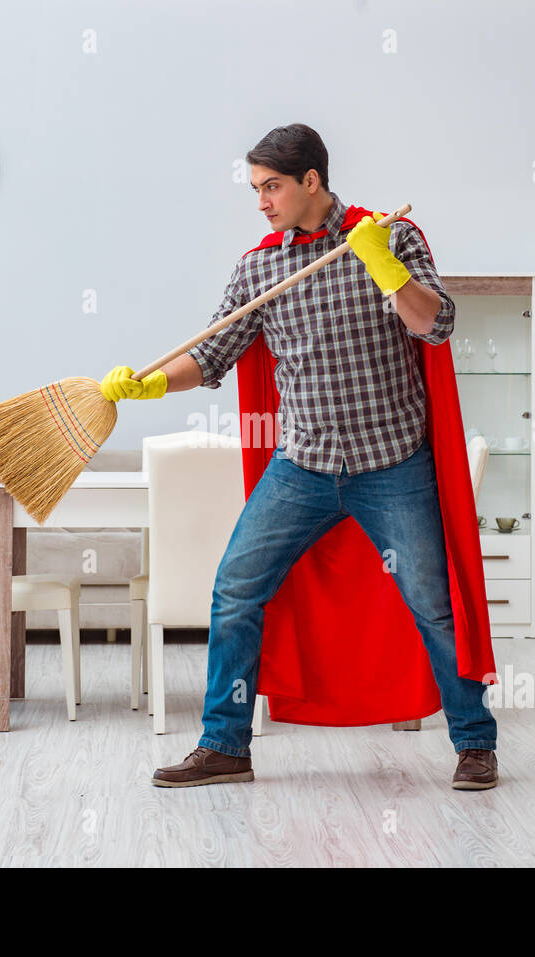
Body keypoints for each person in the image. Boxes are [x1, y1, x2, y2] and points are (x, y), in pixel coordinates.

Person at [99, 123, 498, 790]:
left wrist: (386, 267)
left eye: (272, 186)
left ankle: (475, 743)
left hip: (392, 464)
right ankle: (225, 745)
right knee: (235, 590)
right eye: (256, 188)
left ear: (312, 180)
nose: (262, 201)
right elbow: (212, 354)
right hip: (302, 468)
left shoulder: (389, 237)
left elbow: (436, 322)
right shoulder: (260, 266)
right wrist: (148, 384)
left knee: (432, 602)